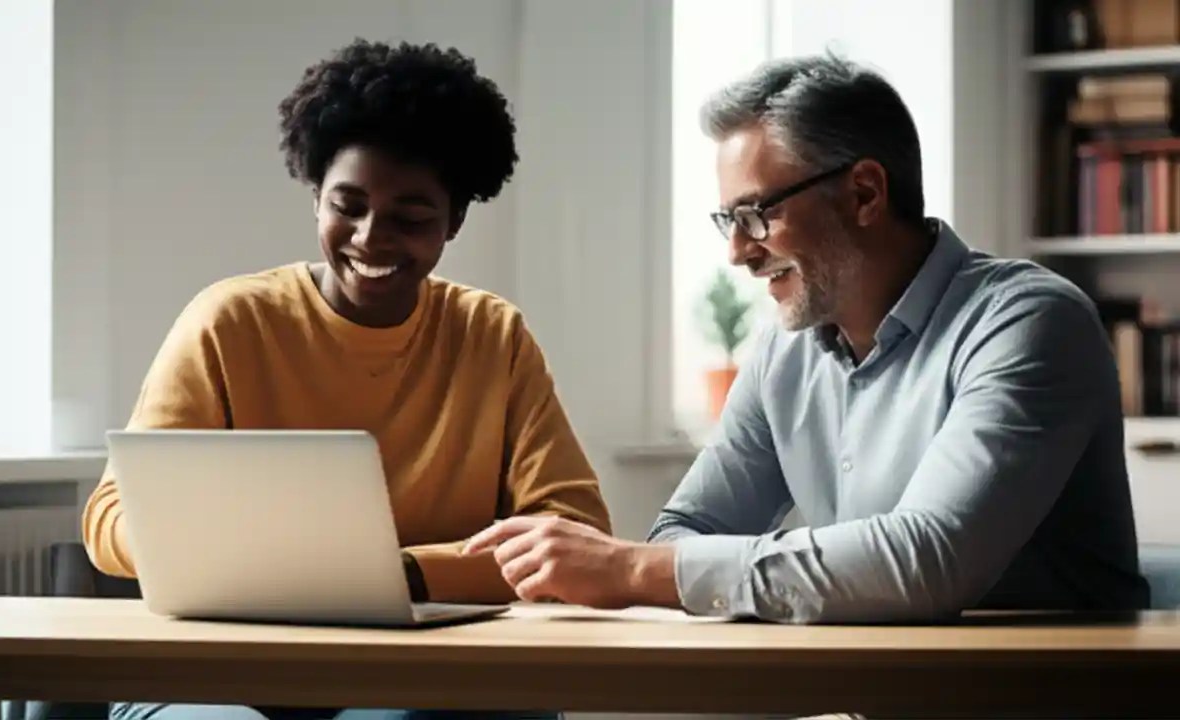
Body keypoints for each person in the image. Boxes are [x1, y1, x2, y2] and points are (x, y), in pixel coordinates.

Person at [464, 53, 1150, 624]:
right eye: (726, 220)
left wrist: (631, 569)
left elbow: (930, 561)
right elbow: (687, 534)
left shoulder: (1028, 323)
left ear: (864, 193)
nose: (737, 252)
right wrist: (825, 569)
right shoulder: (782, 352)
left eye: (758, 215)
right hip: (856, 692)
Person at [83, 38, 609, 719]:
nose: (370, 236)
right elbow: (107, 520)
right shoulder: (229, 322)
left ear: (454, 220)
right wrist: (239, 563)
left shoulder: (492, 336)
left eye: (410, 217)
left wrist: (405, 575)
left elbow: (573, 529)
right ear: (315, 197)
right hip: (221, 672)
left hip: (422, 680)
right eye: (347, 205)